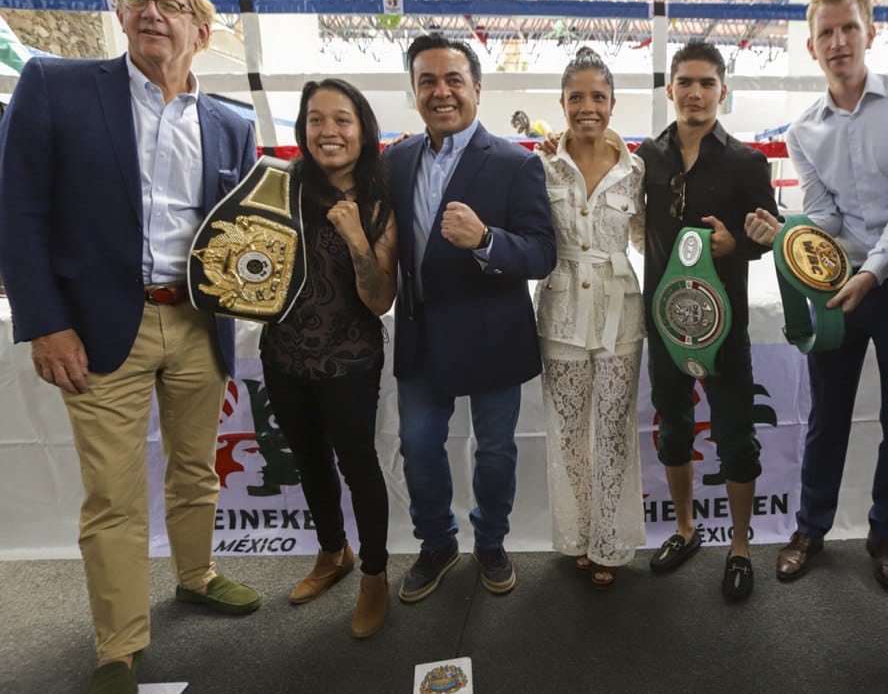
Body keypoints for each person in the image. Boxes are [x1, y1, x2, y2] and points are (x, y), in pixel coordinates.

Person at [0, 0, 260, 694]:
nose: (151, 13)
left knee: (194, 468)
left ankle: (196, 572)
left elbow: (242, 234)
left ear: (199, 27)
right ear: (118, 11)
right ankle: (118, 647)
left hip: (196, 321)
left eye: (169, 3)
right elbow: (18, 214)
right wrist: (44, 321)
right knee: (112, 493)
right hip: (98, 327)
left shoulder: (232, 125)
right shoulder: (56, 89)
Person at [744, 0, 888, 588]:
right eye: (825, 33)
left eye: (847, 28)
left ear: (870, 32)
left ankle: (886, 534)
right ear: (812, 47)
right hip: (840, 287)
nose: (837, 42)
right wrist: (786, 231)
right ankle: (811, 527)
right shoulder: (805, 129)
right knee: (825, 415)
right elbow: (826, 216)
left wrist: (872, 270)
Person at [387, 33, 555, 603]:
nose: (441, 92)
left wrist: (486, 240)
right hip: (422, 333)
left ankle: (491, 541)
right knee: (417, 444)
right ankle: (436, 542)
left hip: (492, 334)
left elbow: (541, 253)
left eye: (453, 80)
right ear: (414, 92)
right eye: (427, 81)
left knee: (496, 450)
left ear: (477, 90)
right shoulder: (397, 159)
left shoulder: (515, 164)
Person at [258, 79, 397, 637]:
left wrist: (356, 236)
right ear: (303, 129)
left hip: (348, 358)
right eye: (317, 119)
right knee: (308, 460)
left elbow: (381, 298)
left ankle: (376, 574)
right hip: (284, 354)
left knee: (357, 465)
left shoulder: (379, 199)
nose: (329, 131)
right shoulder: (281, 187)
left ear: (363, 129)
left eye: (342, 120)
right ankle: (332, 552)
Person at [639, 41, 777, 601]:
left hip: (726, 328)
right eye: (686, 83)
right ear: (670, 90)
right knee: (672, 429)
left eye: (707, 83)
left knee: (735, 437)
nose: (696, 93)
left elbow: (767, 237)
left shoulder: (747, 163)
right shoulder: (644, 158)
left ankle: (740, 548)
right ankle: (686, 530)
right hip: (663, 326)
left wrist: (738, 243)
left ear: (723, 91)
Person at [534, 48, 646, 588]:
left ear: (612, 103)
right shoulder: (541, 165)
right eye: (576, 97)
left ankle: (608, 539)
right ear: (562, 103)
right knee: (571, 431)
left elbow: (647, 237)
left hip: (621, 314)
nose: (587, 107)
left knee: (614, 429)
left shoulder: (636, 169)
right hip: (560, 313)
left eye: (597, 97)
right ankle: (578, 535)